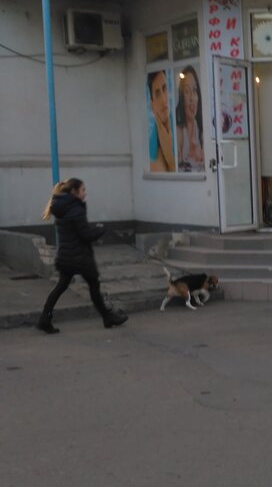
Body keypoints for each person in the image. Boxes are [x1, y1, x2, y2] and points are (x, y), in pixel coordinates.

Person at [36, 178, 128, 334]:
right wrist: (100, 229)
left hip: (66, 255)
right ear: (74, 192)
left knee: (61, 286)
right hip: (80, 257)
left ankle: (45, 318)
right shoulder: (76, 209)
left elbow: (76, 231)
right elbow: (85, 235)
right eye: (83, 190)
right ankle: (107, 317)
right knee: (93, 285)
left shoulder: (62, 208)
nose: (85, 193)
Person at [175, 66, 205, 172]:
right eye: (187, 91)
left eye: (194, 91)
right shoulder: (179, 133)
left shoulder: (202, 131)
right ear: (182, 98)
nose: (192, 98)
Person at [148, 69, 176, 172]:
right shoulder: (153, 145)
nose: (164, 100)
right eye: (157, 94)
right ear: (152, 105)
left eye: (165, 89)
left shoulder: (176, 125)